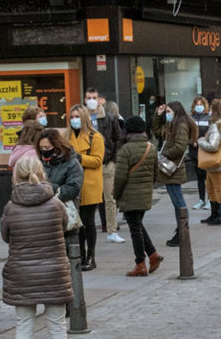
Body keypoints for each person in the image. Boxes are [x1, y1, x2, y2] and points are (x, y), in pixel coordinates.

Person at [0, 157, 75, 339]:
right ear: (41, 173)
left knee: (24, 326)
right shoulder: (55, 203)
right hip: (53, 270)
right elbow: (65, 226)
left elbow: (5, 235)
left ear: (17, 176)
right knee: (57, 325)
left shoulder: (11, 207)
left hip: (22, 273)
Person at [113, 116, 163, 277]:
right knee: (138, 225)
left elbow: (120, 177)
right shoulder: (151, 147)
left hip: (129, 195)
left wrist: (116, 193)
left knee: (135, 229)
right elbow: (156, 173)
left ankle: (140, 263)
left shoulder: (125, 150)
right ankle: (153, 254)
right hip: (145, 193)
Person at [83, 87, 125, 245]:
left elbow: (117, 138)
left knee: (110, 199)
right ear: (85, 99)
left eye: (94, 97)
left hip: (107, 163)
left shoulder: (109, 118)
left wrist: (113, 159)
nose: (91, 100)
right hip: (87, 163)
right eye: (89, 97)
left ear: (99, 98)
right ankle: (87, 230)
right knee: (88, 199)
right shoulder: (80, 117)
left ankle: (112, 231)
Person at [67, 104, 107, 272]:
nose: (74, 120)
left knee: (88, 221)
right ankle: (80, 255)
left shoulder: (94, 137)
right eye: (71, 117)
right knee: (78, 224)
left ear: (83, 118)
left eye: (77, 116)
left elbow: (98, 160)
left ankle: (90, 256)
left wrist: (79, 157)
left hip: (90, 183)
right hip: (73, 183)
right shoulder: (67, 137)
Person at [156, 101, 195, 248]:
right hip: (172, 169)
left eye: (169, 111)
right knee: (176, 202)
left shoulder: (181, 125)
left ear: (176, 112)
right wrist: (158, 116)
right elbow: (156, 131)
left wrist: (163, 154)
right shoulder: (174, 124)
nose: (168, 114)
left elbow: (180, 146)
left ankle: (182, 232)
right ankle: (181, 231)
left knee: (178, 202)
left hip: (174, 169)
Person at [190, 95, 212, 213]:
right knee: (199, 176)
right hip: (194, 151)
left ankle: (209, 199)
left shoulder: (209, 117)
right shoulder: (191, 118)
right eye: (197, 105)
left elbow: (211, 133)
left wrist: (203, 141)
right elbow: (188, 133)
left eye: (201, 105)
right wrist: (192, 141)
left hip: (205, 150)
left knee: (208, 176)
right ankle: (201, 199)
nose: (199, 107)